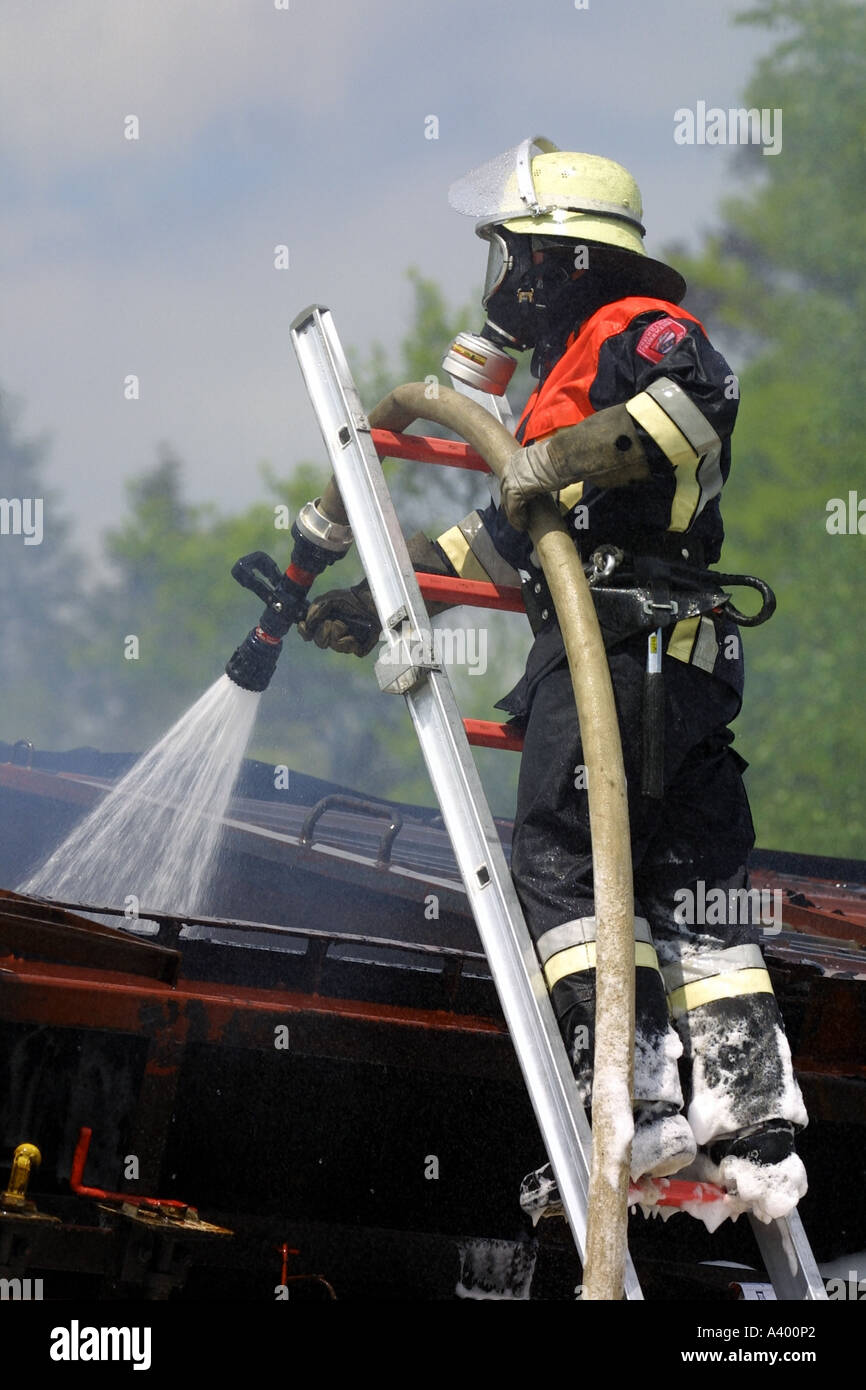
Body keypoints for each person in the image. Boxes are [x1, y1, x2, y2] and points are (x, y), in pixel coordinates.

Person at [298, 138, 808, 1223]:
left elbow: (701, 396)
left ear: (566, 262)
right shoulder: (563, 383)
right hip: (674, 661)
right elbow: (498, 541)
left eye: (518, 261)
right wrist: (379, 597)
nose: (507, 286)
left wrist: (560, 458)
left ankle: (625, 1089)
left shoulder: (632, 334)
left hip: (618, 652)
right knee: (691, 891)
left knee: (559, 862)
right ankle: (754, 1122)